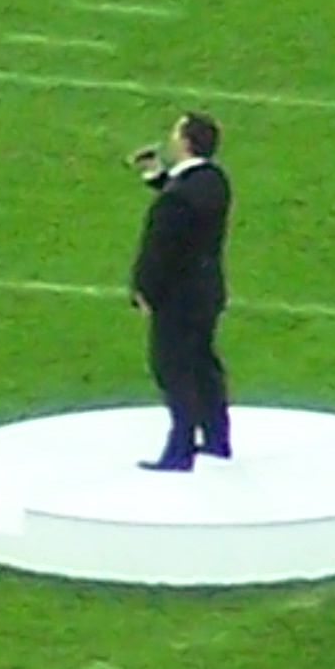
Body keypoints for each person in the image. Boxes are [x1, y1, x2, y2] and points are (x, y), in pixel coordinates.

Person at [129, 111, 233, 471]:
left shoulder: (176, 201)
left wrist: (143, 289)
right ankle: (217, 439)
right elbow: (186, 199)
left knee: (173, 369)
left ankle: (180, 450)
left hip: (177, 298)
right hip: (207, 292)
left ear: (185, 141)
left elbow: (160, 248)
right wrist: (156, 174)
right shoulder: (214, 182)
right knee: (203, 365)